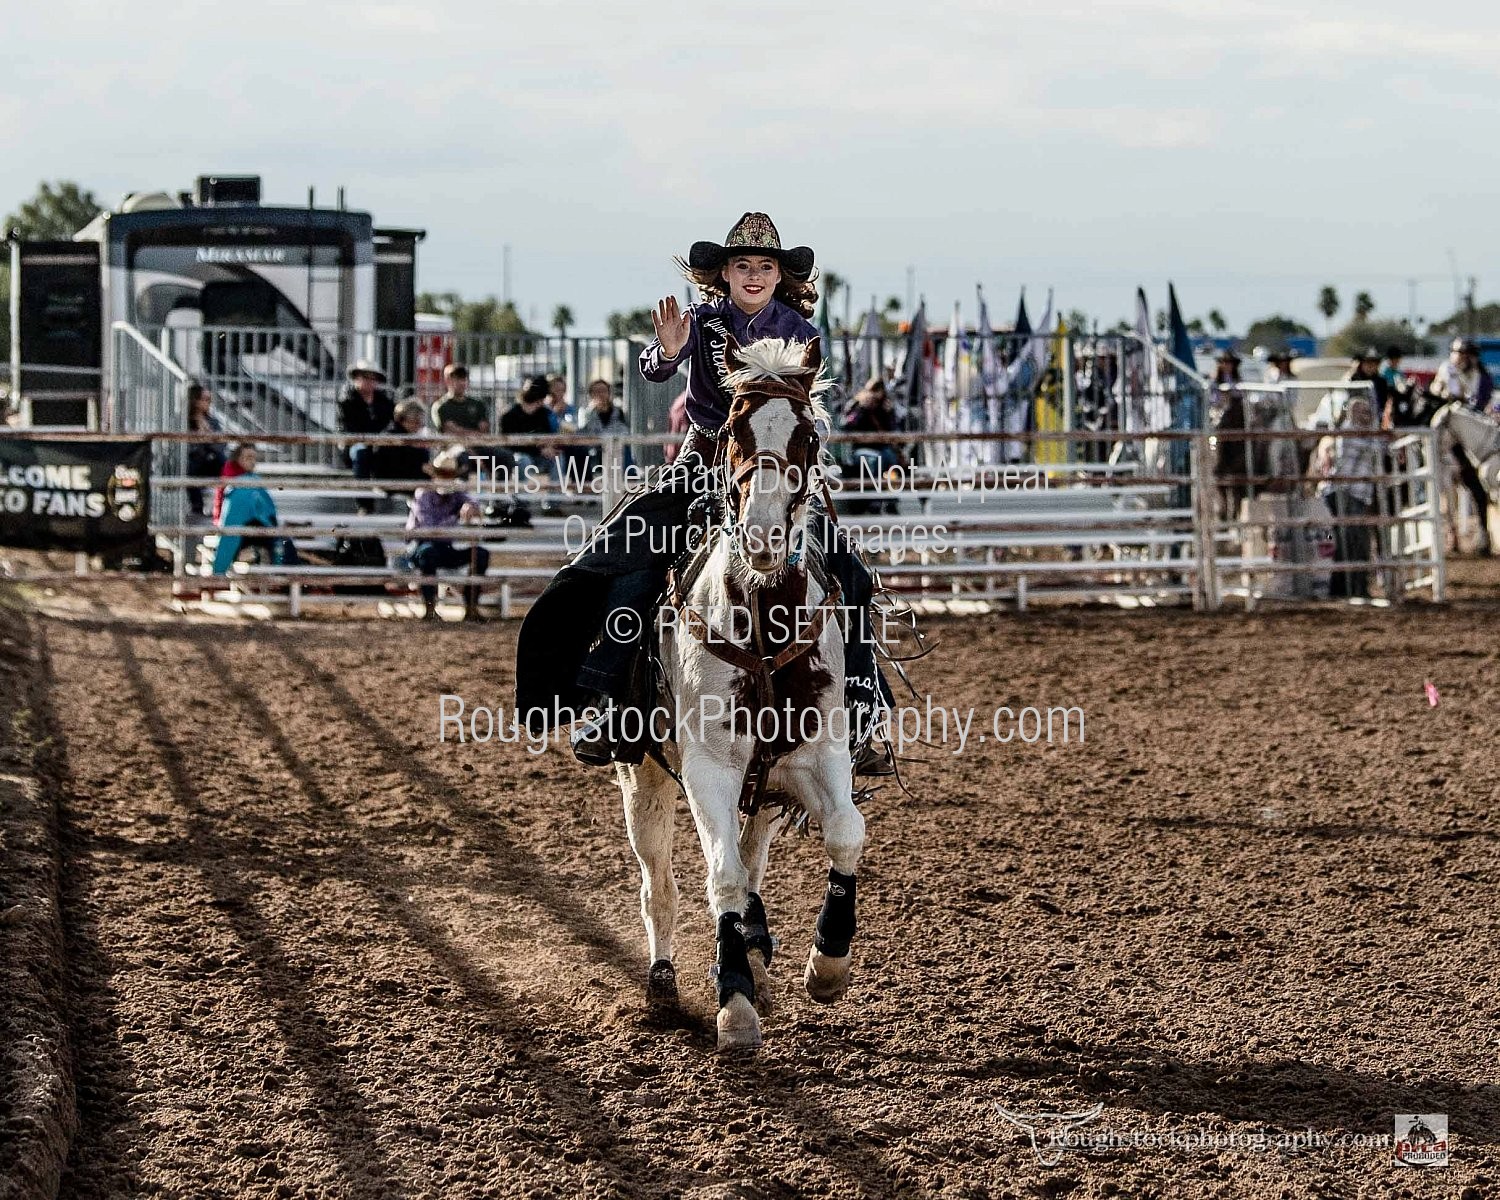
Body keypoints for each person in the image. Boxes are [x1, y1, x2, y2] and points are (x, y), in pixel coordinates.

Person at [514, 211, 893, 775]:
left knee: (851, 575)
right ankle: (609, 703)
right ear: (725, 273)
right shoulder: (700, 320)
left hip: (775, 466)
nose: (754, 275)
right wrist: (668, 351)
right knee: (634, 558)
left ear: (779, 275)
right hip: (703, 457)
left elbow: (806, 409)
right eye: (743, 265)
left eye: (765, 266)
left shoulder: (801, 332)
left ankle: (862, 707)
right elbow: (652, 369)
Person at [405, 446, 490, 622]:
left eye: (449, 475)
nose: (446, 479)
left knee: (481, 554)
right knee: (427, 554)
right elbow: (429, 528)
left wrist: (471, 506)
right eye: (443, 474)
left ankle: (471, 607)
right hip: (421, 546)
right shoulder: (423, 494)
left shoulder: (457, 493)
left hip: (446, 547)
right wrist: (457, 518)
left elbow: (472, 501)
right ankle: (429, 608)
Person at [1316, 395, 1381, 598]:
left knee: (1354, 542)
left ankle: (1353, 588)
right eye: (1361, 412)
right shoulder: (1349, 435)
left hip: (1353, 495)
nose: (1366, 416)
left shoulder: (1360, 435)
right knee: (1348, 542)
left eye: (1367, 412)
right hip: (1345, 495)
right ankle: (1349, 588)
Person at [211, 444, 300, 575]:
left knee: (283, 542)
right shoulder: (235, 481)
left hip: (253, 525)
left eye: (254, 458)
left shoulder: (251, 479)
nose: (252, 461)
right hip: (238, 527)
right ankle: (287, 580)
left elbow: (266, 506)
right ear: (238, 459)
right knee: (282, 542)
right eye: (248, 457)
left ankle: (288, 580)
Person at [842, 377, 905, 514]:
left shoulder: (885, 407)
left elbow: (894, 429)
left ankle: (891, 500)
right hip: (861, 449)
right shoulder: (857, 405)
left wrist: (888, 412)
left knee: (890, 460)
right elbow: (847, 426)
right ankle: (874, 500)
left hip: (882, 448)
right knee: (876, 459)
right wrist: (863, 409)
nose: (876, 397)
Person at [339, 360, 395, 482]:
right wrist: (367, 440)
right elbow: (347, 428)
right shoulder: (347, 401)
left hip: (379, 443)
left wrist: (380, 439)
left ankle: (387, 492)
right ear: (356, 378)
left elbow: (390, 423)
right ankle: (363, 495)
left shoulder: (384, 401)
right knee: (361, 453)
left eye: (373, 378)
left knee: (391, 453)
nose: (369, 381)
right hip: (355, 443)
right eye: (365, 377)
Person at [500, 375, 556, 481]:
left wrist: (548, 448)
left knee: (556, 458)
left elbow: (547, 436)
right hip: (518, 455)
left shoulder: (543, 413)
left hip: (538, 455)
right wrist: (539, 450)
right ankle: (523, 497)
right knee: (523, 460)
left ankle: (555, 497)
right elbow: (510, 445)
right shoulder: (509, 415)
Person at [185, 382, 226, 518]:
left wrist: (207, 437)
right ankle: (197, 507)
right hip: (191, 462)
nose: (208, 403)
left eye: (209, 399)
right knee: (190, 466)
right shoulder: (183, 421)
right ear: (195, 401)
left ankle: (223, 507)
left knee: (223, 463)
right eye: (205, 399)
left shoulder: (212, 422)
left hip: (209, 460)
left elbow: (220, 446)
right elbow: (186, 449)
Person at [578, 377, 630, 478]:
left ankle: (629, 475)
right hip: (594, 450)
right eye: (596, 391)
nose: (600, 394)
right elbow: (585, 432)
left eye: (603, 391)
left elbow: (623, 431)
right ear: (591, 395)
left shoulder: (617, 412)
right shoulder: (586, 413)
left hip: (613, 447)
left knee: (624, 449)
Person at [372, 398, 434, 482]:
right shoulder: (390, 437)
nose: (419, 425)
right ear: (403, 419)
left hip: (410, 480)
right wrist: (420, 467)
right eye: (415, 420)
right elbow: (395, 466)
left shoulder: (413, 436)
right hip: (392, 482)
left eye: (420, 420)